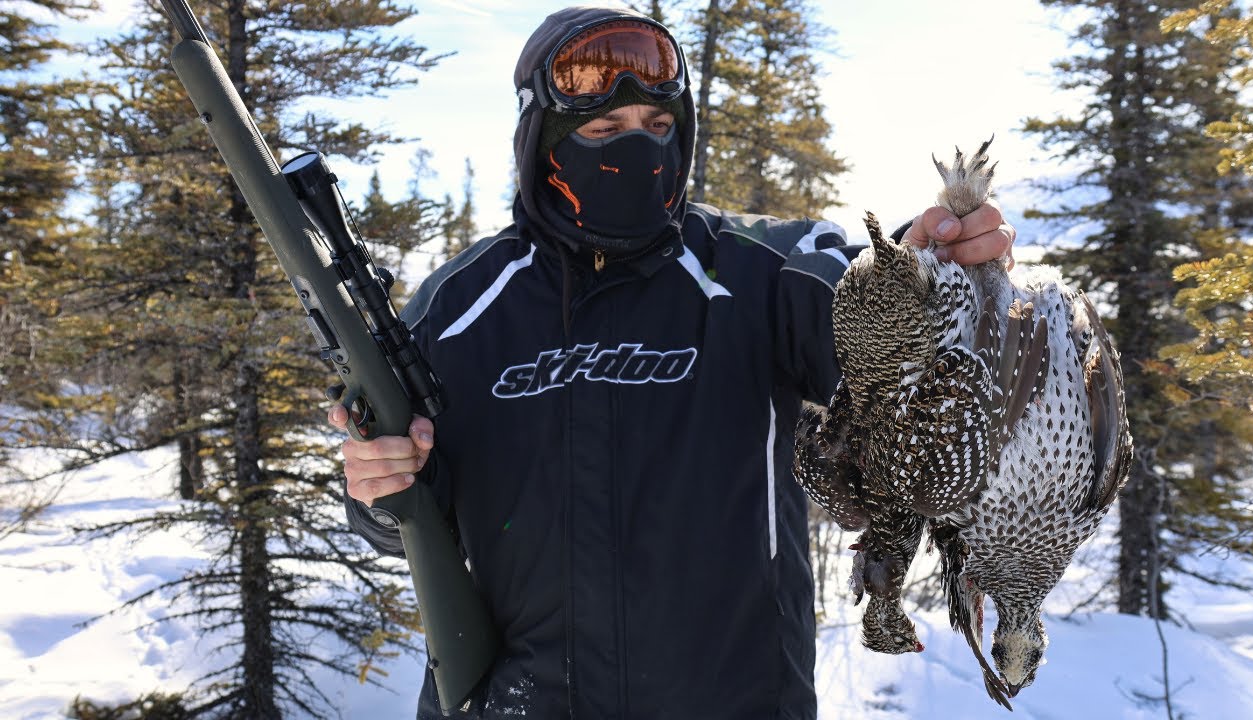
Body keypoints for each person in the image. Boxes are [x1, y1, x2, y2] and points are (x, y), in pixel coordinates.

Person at [331, 6, 1014, 719]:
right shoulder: (458, 307)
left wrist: (922, 272)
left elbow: (852, 309)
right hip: (513, 702)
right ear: (543, 141)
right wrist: (380, 485)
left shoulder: (759, 271)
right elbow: (399, 509)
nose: (635, 152)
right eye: (601, 132)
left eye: (657, 129)